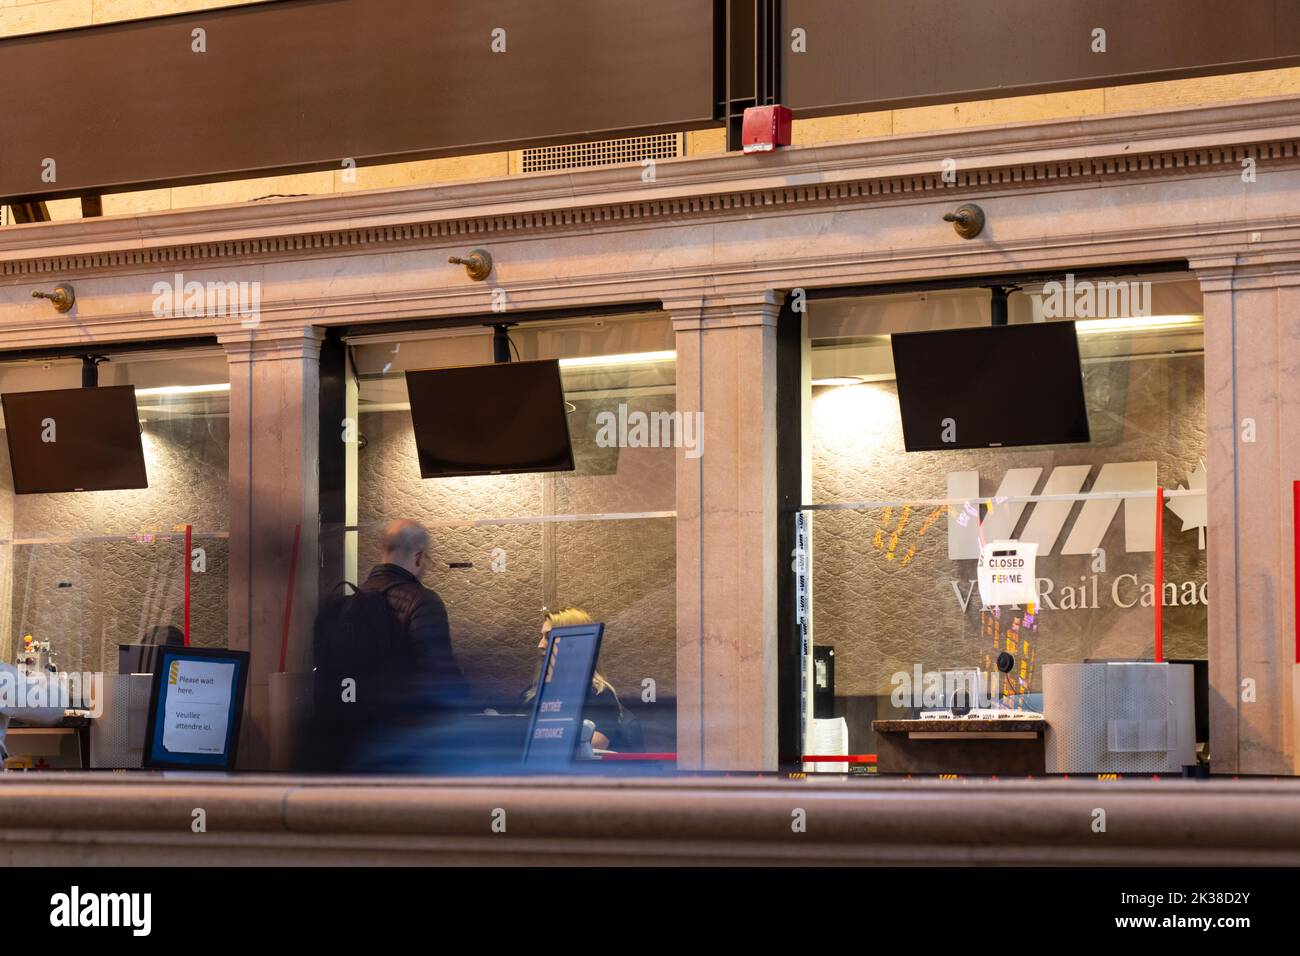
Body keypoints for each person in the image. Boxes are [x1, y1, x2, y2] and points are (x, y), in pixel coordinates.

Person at [359, 519, 469, 704]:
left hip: (357, 722)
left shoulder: (352, 598)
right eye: (428, 560)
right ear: (419, 557)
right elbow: (441, 676)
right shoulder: (422, 602)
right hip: (406, 723)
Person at [522, 607, 641, 752]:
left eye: (549, 637)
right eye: (542, 637)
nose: (540, 645)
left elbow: (594, 745)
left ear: (573, 642)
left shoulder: (596, 693)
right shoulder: (533, 692)